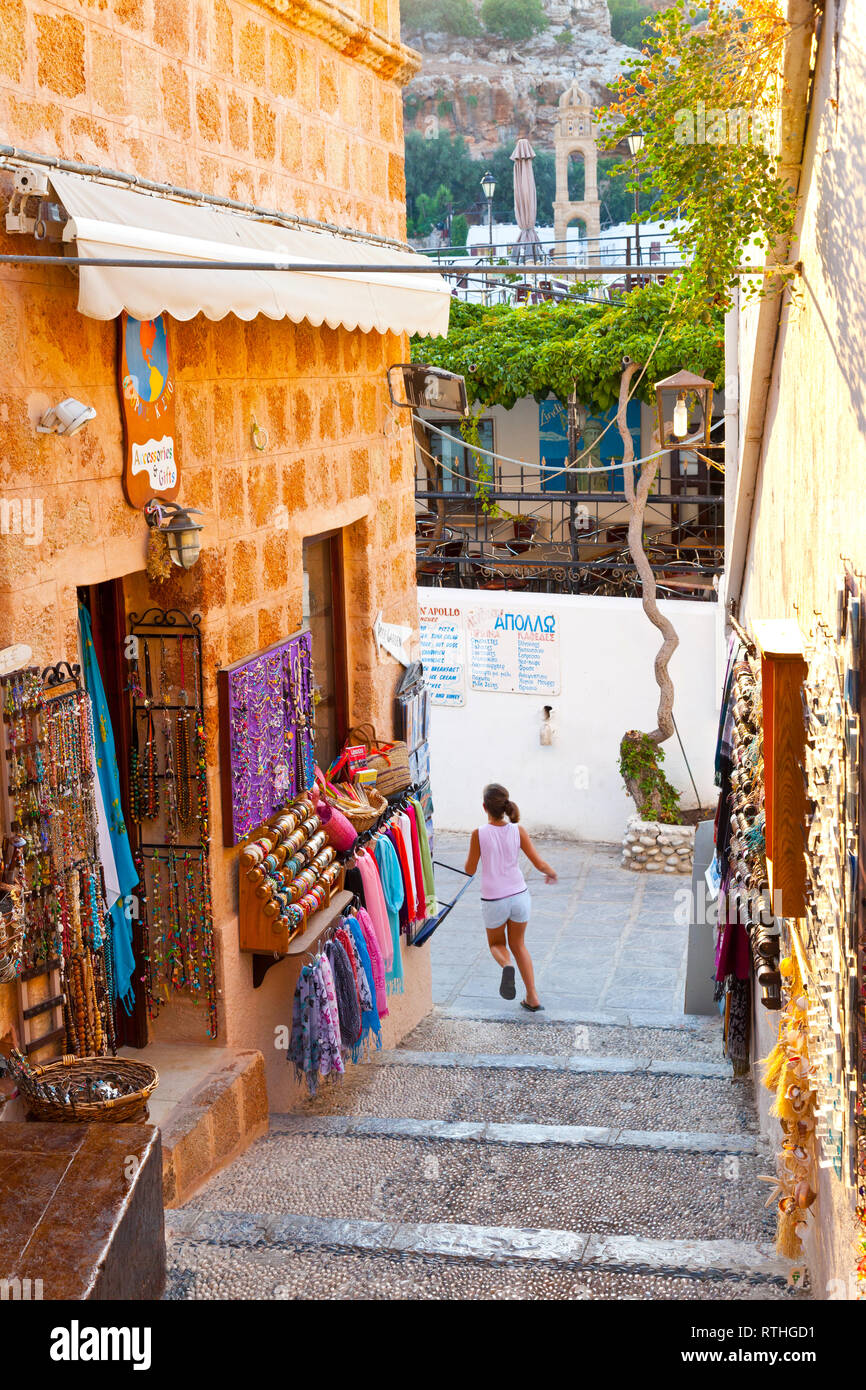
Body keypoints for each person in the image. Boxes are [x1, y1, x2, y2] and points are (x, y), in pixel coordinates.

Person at [464, 783, 557, 1012]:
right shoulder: (518, 830)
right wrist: (551, 872)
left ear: (484, 807)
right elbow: (538, 863)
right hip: (520, 896)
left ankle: (507, 965)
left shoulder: (479, 834)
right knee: (519, 944)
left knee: (497, 944)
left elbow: (470, 869)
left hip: (493, 899)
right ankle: (533, 997)